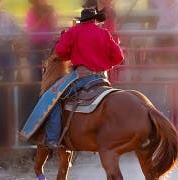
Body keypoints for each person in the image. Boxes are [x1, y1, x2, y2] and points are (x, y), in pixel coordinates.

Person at [42, 8, 124, 148]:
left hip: (82, 77)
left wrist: (70, 56)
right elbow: (119, 57)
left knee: (53, 98)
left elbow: (60, 51)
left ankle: (52, 138)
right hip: (102, 78)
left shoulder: (73, 32)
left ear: (82, 20)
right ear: (94, 20)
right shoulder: (104, 33)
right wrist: (105, 65)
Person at [26, 0, 58, 81]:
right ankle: (35, 90)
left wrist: (50, 17)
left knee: (49, 71)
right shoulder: (31, 12)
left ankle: (47, 90)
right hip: (35, 45)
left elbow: (53, 26)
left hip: (48, 44)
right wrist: (42, 19)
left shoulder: (50, 10)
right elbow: (31, 30)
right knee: (35, 71)